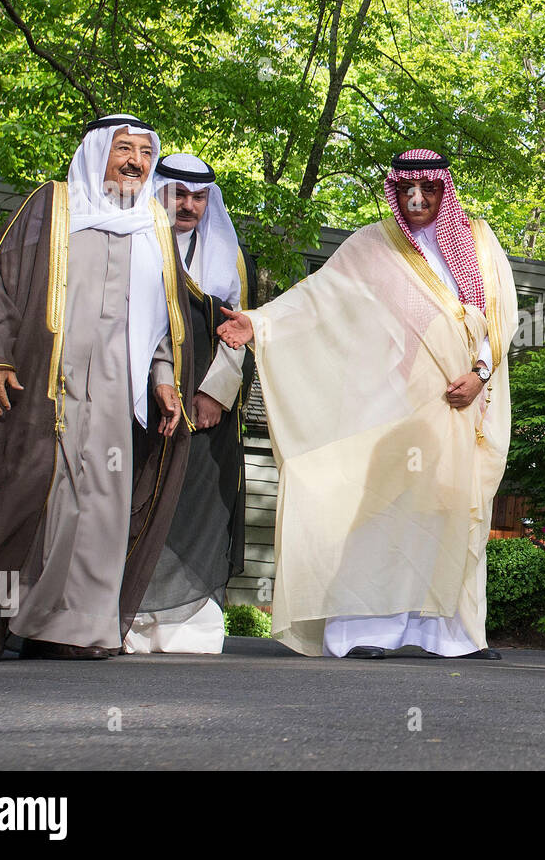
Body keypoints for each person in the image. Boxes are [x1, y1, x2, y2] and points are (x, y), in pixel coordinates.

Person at [216, 148, 517, 659]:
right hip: (394, 405)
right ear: (395, 192)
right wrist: (259, 322)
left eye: (427, 189)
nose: (416, 199)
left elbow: (500, 316)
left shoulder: (481, 242)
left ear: (446, 190)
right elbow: (320, 297)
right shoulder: (375, 244)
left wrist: (480, 376)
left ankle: (455, 634)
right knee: (383, 512)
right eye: (406, 190)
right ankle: (364, 631)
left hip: (466, 405)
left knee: (451, 511)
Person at [0, 115, 193, 660]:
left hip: (113, 390)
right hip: (38, 379)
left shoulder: (155, 223)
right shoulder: (52, 205)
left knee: (96, 505)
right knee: (19, 494)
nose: (135, 161)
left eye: (145, 153)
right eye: (122, 149)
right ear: (95, 152)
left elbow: (162, 320)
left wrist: (165, 377)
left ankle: (68, 627)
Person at [123, 153, 256, 653]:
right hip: (144, 398)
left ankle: (189, 625)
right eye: (179, 194)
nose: (189, 205)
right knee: (144, 500)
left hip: (208, 405)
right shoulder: (137, 242)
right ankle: (133, 621)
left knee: (198, 502)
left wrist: (213, 393)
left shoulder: (228, 254)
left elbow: (238, 333)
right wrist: (161, 382)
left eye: (199, 197)